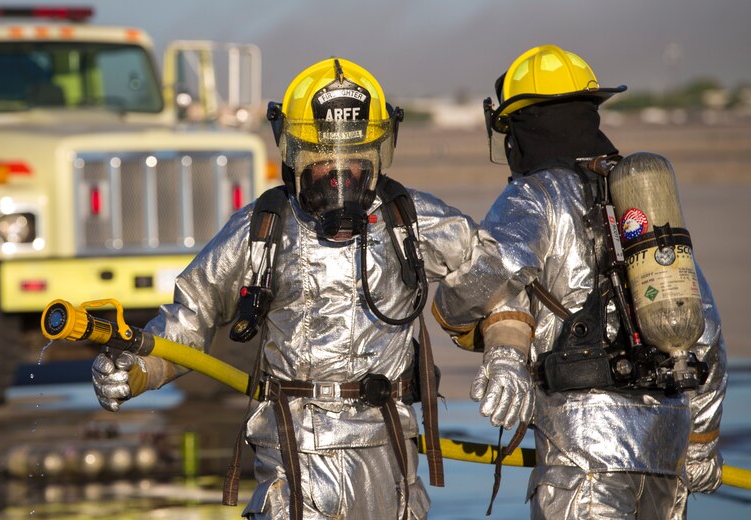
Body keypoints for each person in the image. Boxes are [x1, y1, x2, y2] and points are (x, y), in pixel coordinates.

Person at [91, 57, 516, 519]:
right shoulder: (260, 230)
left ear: (378, 154)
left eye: (356, 162)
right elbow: (191, 315)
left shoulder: (410, 221)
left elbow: (494, 281)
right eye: (322, 162)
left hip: (390, 455)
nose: (340, 177)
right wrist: (136, 371)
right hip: (294, 459)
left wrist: (507, 352)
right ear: (293, 155)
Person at [433, 44, 727, 518]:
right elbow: (704, 326)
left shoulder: (536, 194)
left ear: (519, 125)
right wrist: (701, 441)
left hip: (583, 449)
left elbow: (491, 274)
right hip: (666, 447)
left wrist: (452, 304)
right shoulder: (643, 200)